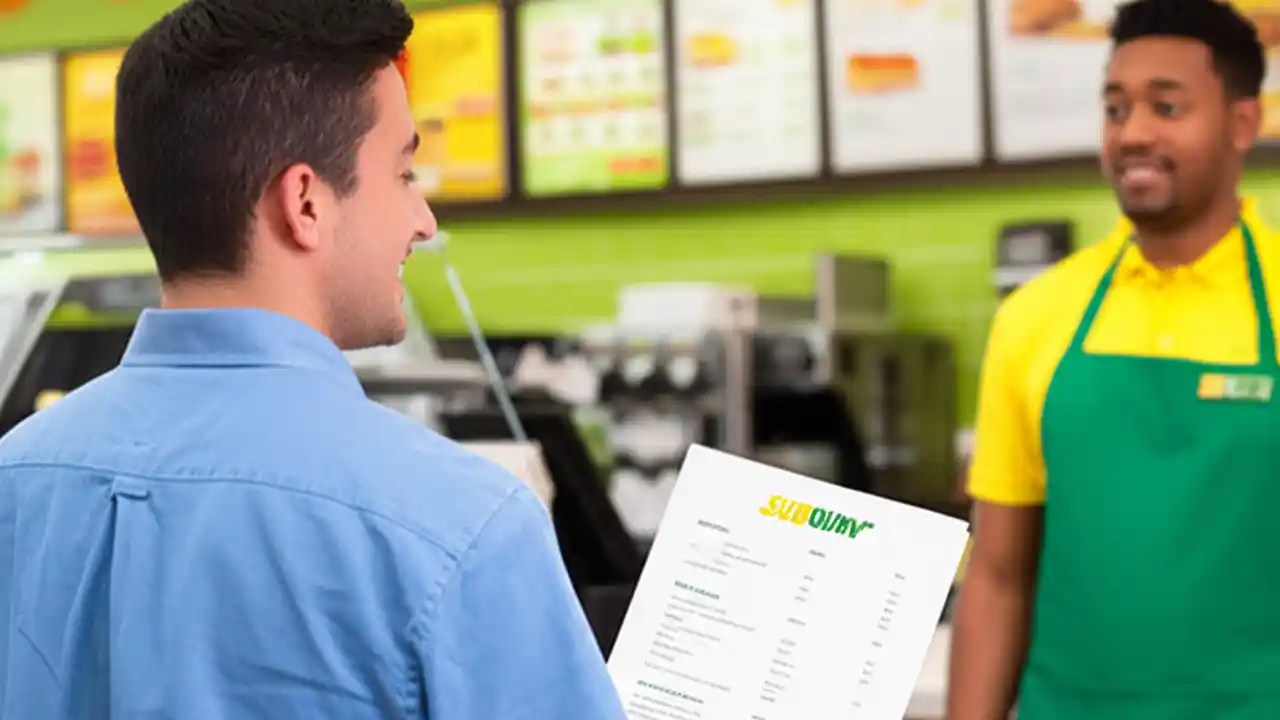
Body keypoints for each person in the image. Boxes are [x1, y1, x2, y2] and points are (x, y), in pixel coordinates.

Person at [0, 2, 626, 718]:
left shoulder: (16, 478)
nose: (424, 221)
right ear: (304, 202)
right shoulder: (459, 524)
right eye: (404, 173)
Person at [948, 0, 1279, 718]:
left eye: (1167, 106)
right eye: (1115, 107)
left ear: (1242, 124)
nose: (1133, 134)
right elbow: (999, 579)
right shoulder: (1034, 316)